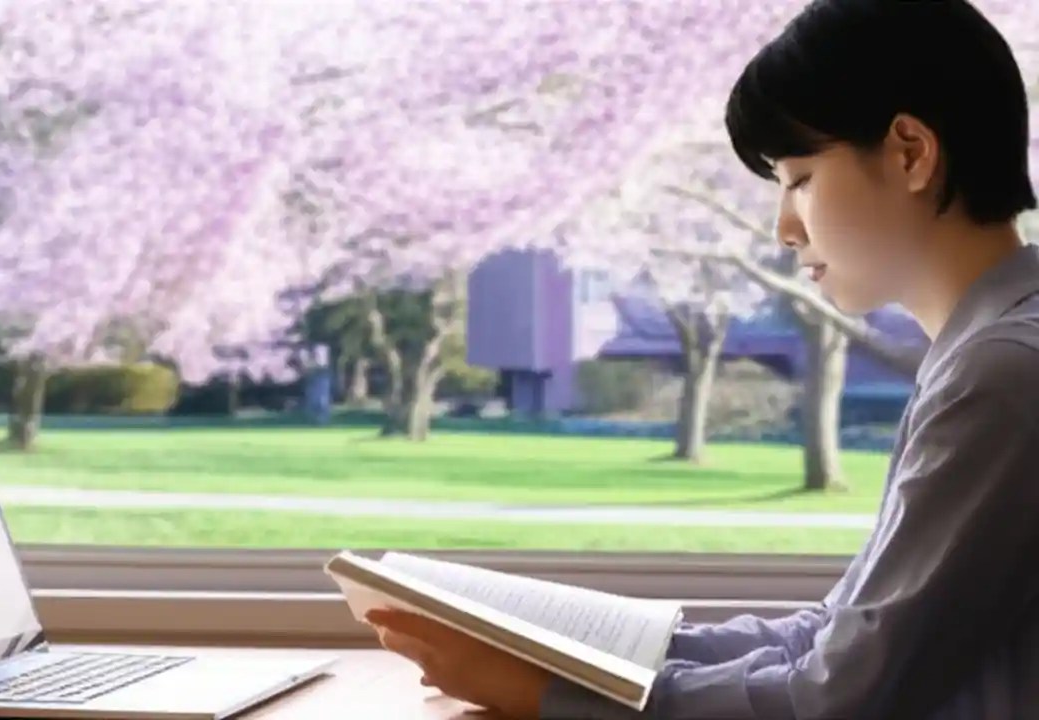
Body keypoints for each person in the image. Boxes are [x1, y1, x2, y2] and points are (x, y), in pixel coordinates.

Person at [364, 0, 1039, 717]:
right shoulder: (986, 355)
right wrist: (578, 654)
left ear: (910, 153)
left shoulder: (1000, 377)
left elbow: (841, 698)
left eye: (800, 180)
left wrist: (549, 696)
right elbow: (834, 640)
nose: (783, 228)